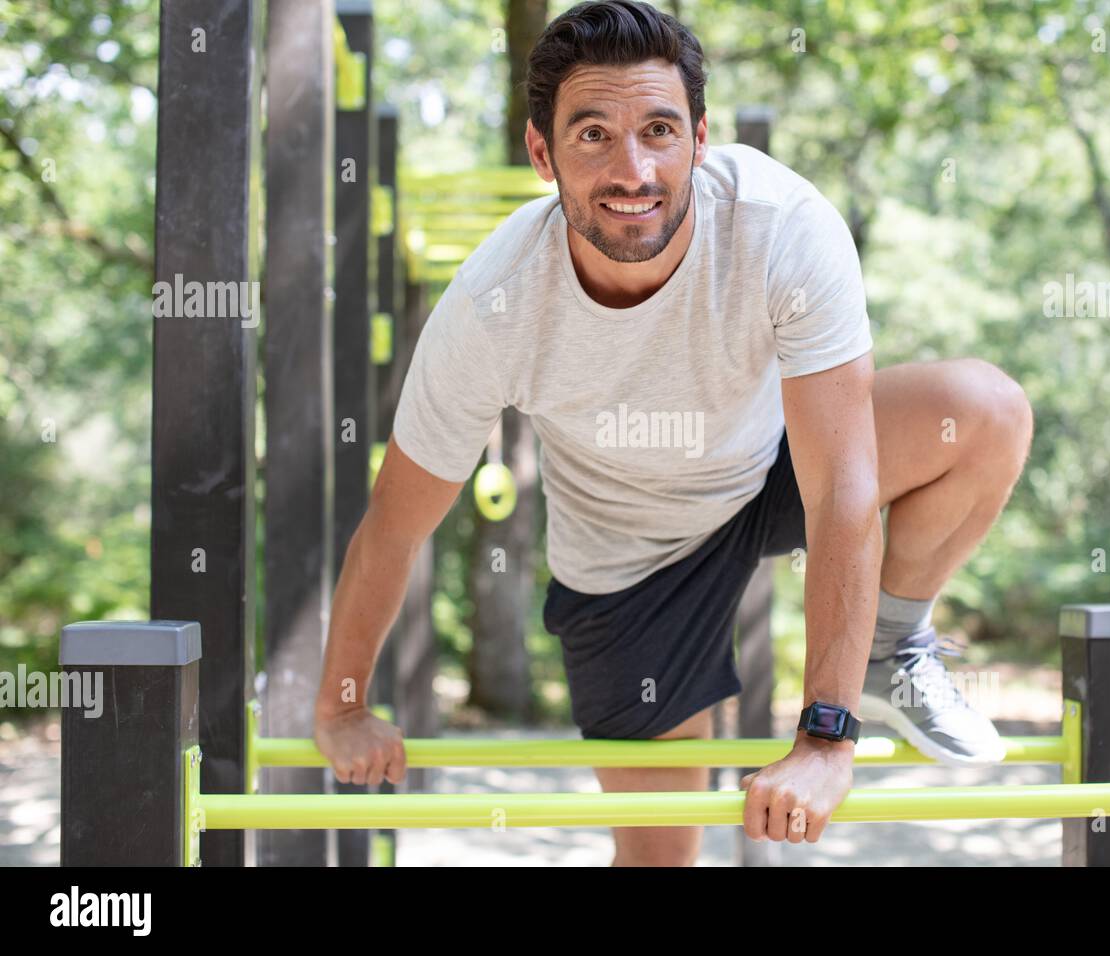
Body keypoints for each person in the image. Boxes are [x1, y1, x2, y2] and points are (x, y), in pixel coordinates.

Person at [313, 0, 1033, 866]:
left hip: (771, 471)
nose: (633, 169)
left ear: (698, 136)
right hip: (628, 571)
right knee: (661, 862)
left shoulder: (782, 227)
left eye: (659, 130)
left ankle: (891, 648)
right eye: (592, 136)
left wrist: (825, 736)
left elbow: (844, 487)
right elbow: (395, 525)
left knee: (985, 411)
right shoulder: (491, 307)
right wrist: (344, 705)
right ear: (542, 153)